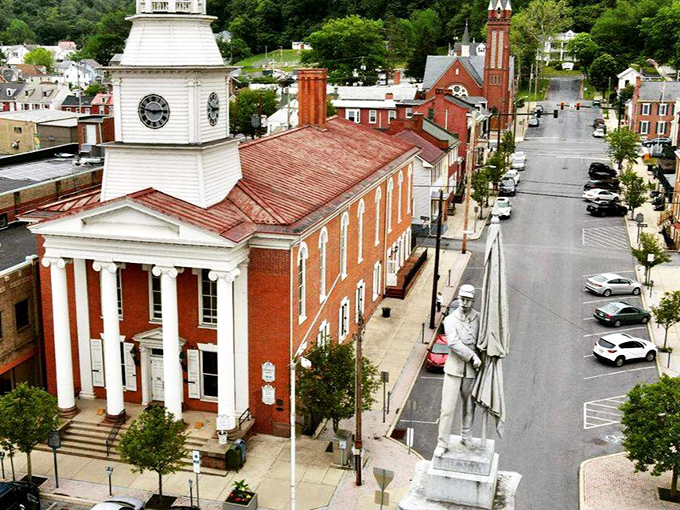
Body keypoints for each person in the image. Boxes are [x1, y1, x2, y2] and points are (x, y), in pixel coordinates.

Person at [434, 284, 482, 456]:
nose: (464, 303)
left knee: (469, 405)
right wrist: (473, 356)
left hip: (471, 371)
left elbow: (481, 340)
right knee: (447, 408)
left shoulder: (478, 318)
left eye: (468, 300)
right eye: (462, 299)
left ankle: (467, 435)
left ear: (473, 301)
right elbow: (453, 343)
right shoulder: (450, 320)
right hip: (454, 369)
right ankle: (442, 442)